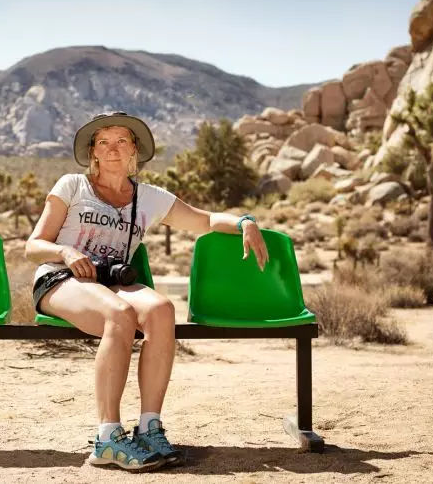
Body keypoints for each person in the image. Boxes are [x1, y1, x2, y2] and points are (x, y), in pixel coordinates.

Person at [25, 111, 270, 472]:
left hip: (110, 282)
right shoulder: (71, 186)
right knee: (120, 314)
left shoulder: (149, 198)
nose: (112, 149)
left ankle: (149, 427)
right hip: (59, 280)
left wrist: (245, 222)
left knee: (161, 310)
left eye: (121, 141)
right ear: (93, 152)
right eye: (103, 142)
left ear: (133, 151)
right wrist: (66, 251)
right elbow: (33, 245)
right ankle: (107, 437)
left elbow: (202, 220)